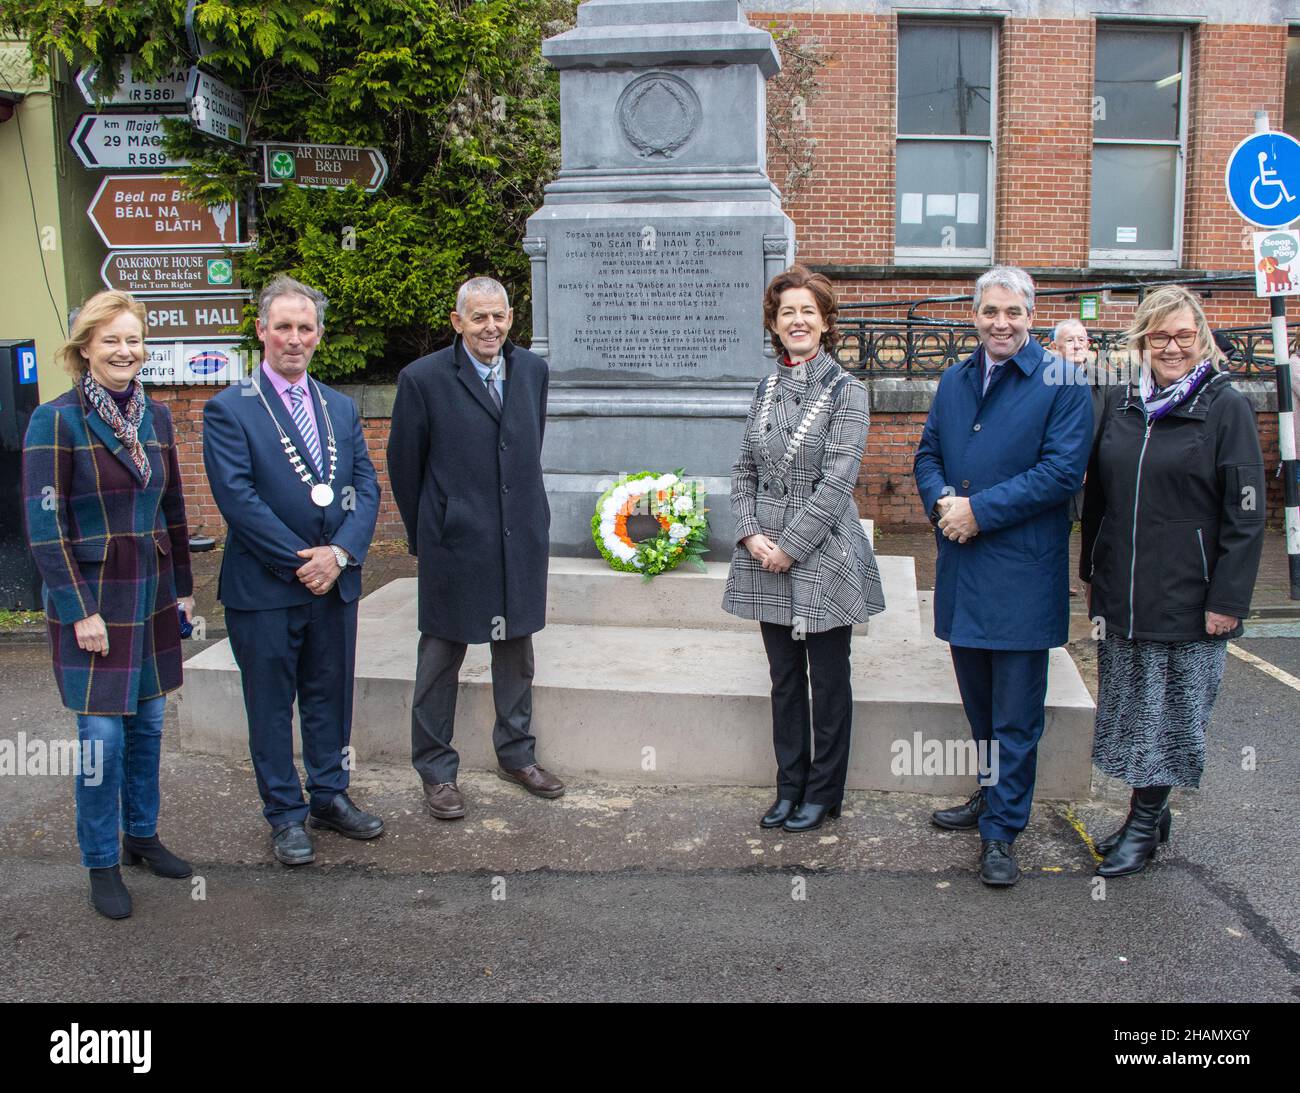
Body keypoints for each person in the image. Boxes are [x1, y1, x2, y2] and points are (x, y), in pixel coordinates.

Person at [913, 266, 1093, 887]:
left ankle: (1002, 833)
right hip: (964, 569)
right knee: (981, 708)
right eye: (990, 311)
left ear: (1031, 315)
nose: (1001, 323)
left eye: (1013, 312)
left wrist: (977, 512)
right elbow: (928, 453)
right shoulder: (956, 379)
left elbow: (1062, 473)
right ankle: (990, 798)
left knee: (1017, 716)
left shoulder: (1063, 381)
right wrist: (942, 503)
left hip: (1019, 576)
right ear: (974, 315)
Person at [1080, 285, 1265, 877]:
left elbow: (1247, 511)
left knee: (1170, 714)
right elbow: (1099, 496)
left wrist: (1228, 599)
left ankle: (1143, 825)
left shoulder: (1224, 407)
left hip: (1191, 596)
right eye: (1159, 336)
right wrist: (1092, 572)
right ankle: (1149, 814)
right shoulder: (1122, 402)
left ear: (1202, 337)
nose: (1172, 346)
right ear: (1141, 341)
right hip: (1125, 592)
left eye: (1185, 334)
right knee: (1132, 710)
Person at [22, 290, 194, 919]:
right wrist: (78, 610)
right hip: (93, 598)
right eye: (111, 340)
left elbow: (172, 509)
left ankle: (141, 837)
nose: (125, 351)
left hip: (148, 592)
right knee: (100, 738)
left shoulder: (158, 418)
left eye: (134, 339)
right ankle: (100, 861)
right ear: (85, 348)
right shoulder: (56, 420)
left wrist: (182, 585)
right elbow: (45, 528)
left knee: (148, 726)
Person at [203, 275, 382, 866]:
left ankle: (329, 796)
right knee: (271, 705)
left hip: (334, 584)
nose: (294, 339)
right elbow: (238, 499)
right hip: (265, 590)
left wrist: (340, 555)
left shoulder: (340, 406)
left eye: (305, 328)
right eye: (283, 327)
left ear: (319, 336)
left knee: (330, 697)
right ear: (261, 332)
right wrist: (302, 562)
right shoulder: (229, 409)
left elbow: (364, 487)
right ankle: (284, 813)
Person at [388, 276, 562, 819]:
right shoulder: (423, 379)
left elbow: (525, 446)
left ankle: (517, 754)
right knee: (441, 657)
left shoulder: (532, 371)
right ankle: (437, 772)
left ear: (512, 319)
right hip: (456, 543)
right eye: (479, 317)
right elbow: (404, 464)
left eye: (500, 317)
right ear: (458, 321)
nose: (491, 327)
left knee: (516, 654)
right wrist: (430, 533)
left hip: (520, 538)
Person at [722, 264, 885, 833]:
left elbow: (838, 481)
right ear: (774, 322)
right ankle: (788, 787)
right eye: (787, 311)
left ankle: (824, 792)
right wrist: (748, 533)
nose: (797, 320)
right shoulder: (764, 389)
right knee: (784, 680)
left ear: (825, 322)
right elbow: (743, 468)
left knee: (829, 679)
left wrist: (790, 547)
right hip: (764, 554)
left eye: (807, 312)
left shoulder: (848, 392)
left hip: (824, 557)